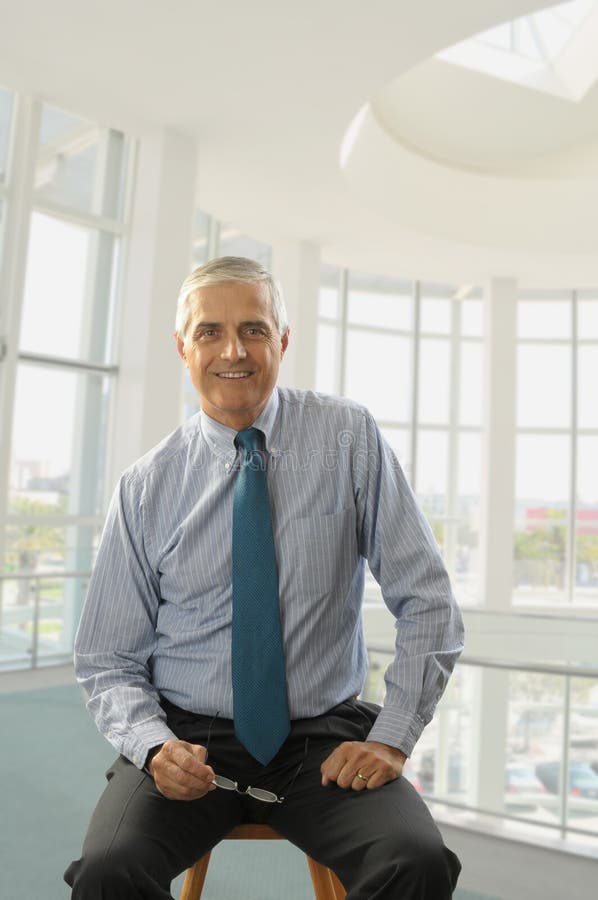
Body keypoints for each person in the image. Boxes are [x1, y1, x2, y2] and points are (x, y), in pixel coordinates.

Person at [65, 256, 464, 899]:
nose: (233, 350)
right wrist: (152, 745)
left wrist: (392, 738)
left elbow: (429, 601)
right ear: (181, 347)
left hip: (322, 736)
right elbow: (107, 658)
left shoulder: (347, 438)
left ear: (282, 339)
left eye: (253, 329)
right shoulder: (145, 487)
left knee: (415, 862)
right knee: (110, 875)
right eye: (209, 332)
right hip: (187, 737)